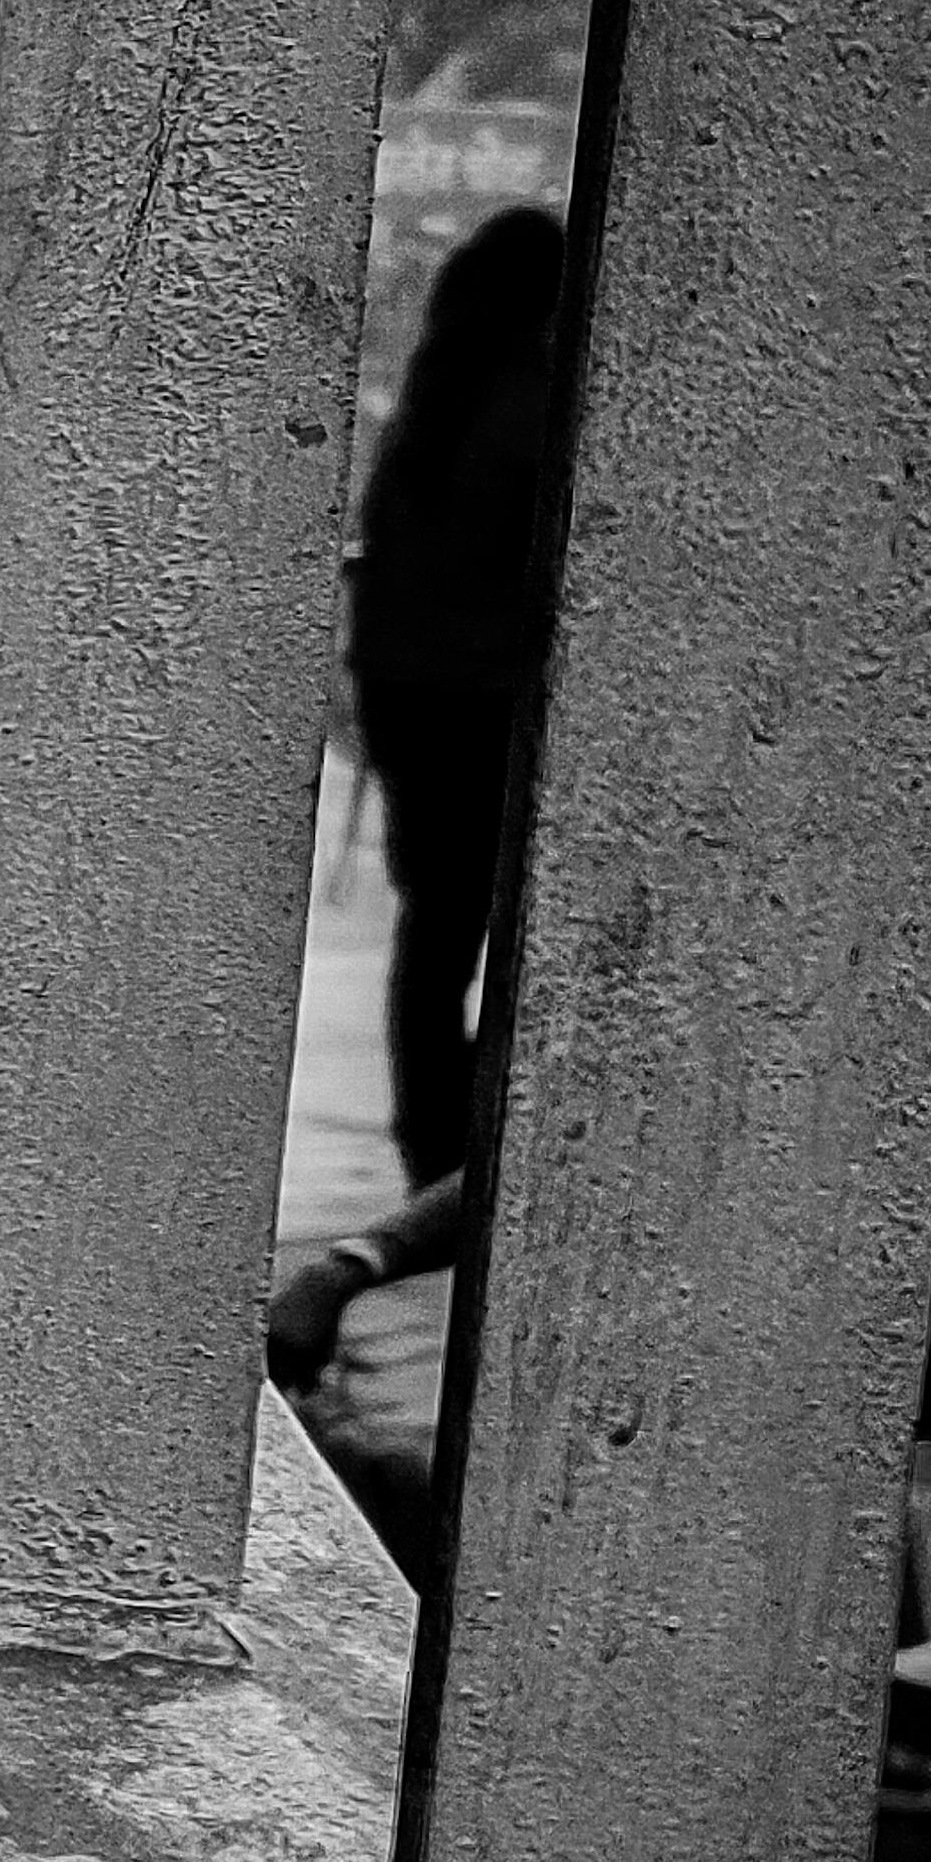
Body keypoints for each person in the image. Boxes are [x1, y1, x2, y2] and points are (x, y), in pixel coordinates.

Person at [349, 203, 570, 1188]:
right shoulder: (534, 411)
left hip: (406, 697)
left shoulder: (429, 404)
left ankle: (427, 1149)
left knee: (432, 932)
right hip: (485, 705)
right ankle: (470, 1152)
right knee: (509, 925)